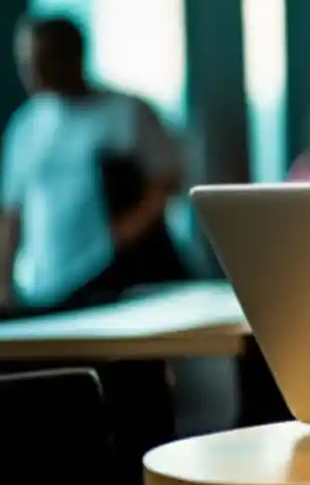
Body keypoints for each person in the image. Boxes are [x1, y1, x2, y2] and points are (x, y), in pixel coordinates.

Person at [0, 16, 186, 316]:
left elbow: (167, 180)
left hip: (116, 274)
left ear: (74, 56)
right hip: (49, 279)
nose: (35, 71)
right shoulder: (25, 127)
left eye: (47, 59)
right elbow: (11, 212)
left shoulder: (125, 113)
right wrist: (3, 284)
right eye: (29, 62)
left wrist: (125, 232)